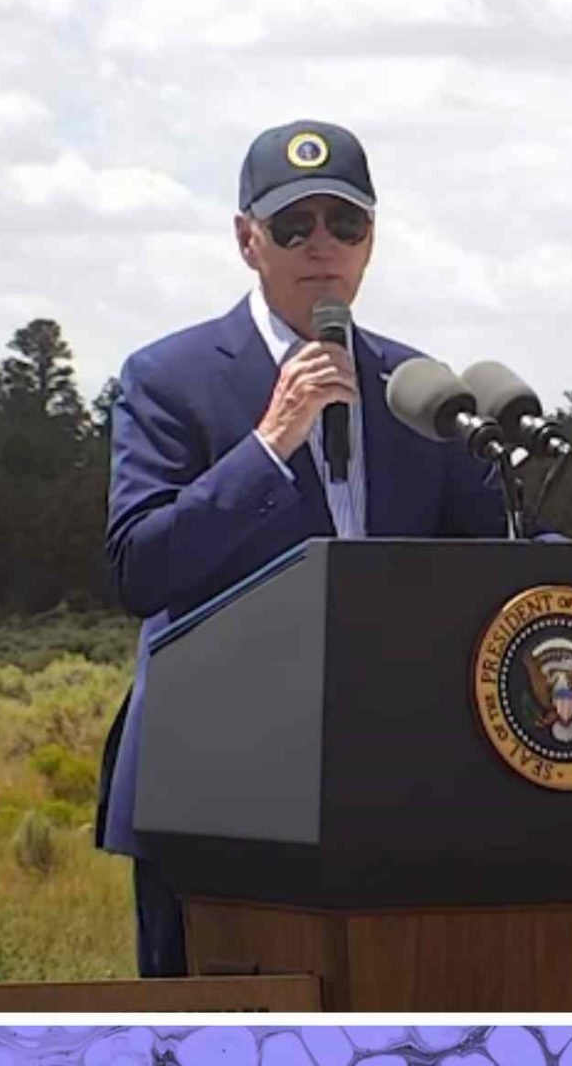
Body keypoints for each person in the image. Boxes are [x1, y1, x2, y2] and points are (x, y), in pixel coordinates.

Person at [95, 120, 514, 977]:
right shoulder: (169, 379)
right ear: (247, 240)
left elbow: (494, 550)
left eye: (344, 223)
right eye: (294, 225)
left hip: (398, 783)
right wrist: (267, 444)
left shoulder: (419, 387)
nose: (321, 245)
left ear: (371, 242)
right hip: (210, 786)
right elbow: (141, 565)